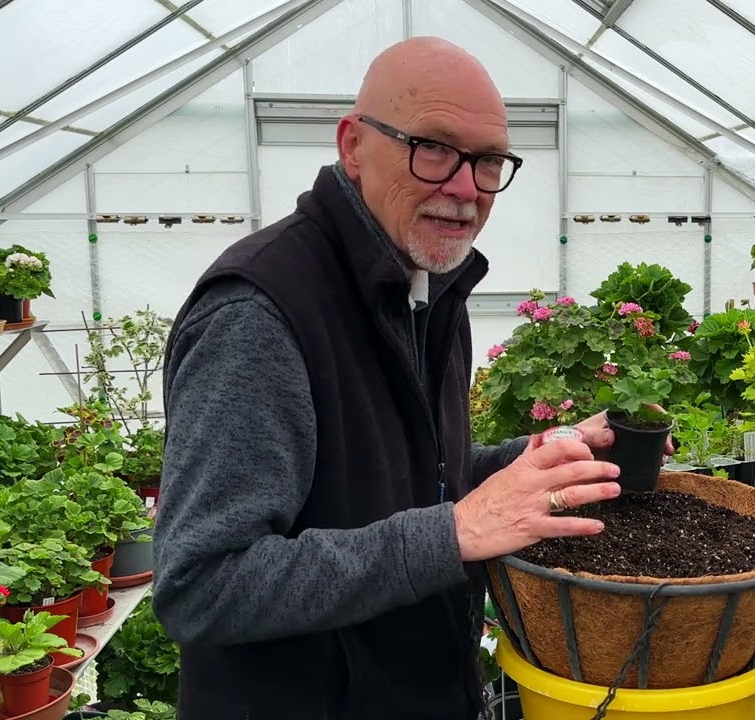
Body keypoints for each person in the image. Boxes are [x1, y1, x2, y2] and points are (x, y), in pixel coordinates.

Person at [153, 37, 649, 719]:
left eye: (488, 161)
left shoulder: (428, 286)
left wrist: (537, 460)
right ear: (354, 145)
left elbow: (408, 480)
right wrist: (454, 534)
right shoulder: (260, 315)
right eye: (434, 148)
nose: (466, 188)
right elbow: (204, 584)